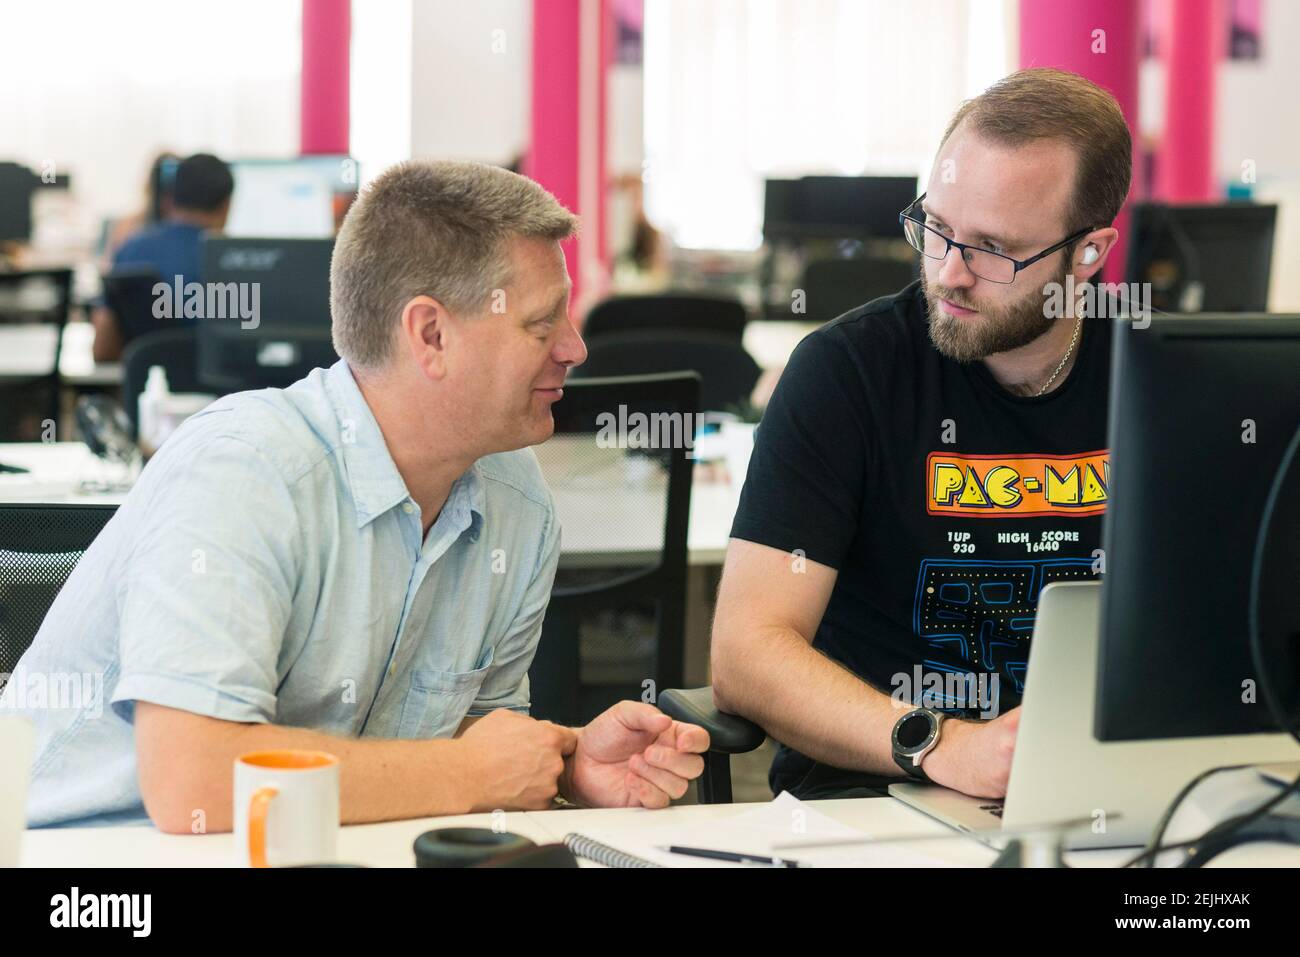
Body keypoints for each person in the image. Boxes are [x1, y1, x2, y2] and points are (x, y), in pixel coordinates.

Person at [6, 160, 708, 830]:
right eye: (541, 322)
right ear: (431, 334)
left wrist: (564, 767)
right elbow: (194, 781)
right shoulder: (245, 472)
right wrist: (467, 771)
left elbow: (457, 743)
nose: (575, 347)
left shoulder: (514, 499)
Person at [711, 68, 1130, 801]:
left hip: (1106, 787)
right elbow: (746, 654)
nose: (949, 274)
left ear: (1088, 254)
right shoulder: (846, 372)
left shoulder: (1162, 372)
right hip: (873, 791)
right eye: (935, 228)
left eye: (994, 249)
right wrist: (938, 742)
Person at [91, 152, 233, 361]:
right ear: (226, 205)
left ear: (169, 199)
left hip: (147, 388)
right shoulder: (236, 259)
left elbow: (102, 349)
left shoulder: (130, 249)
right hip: (218, 392)